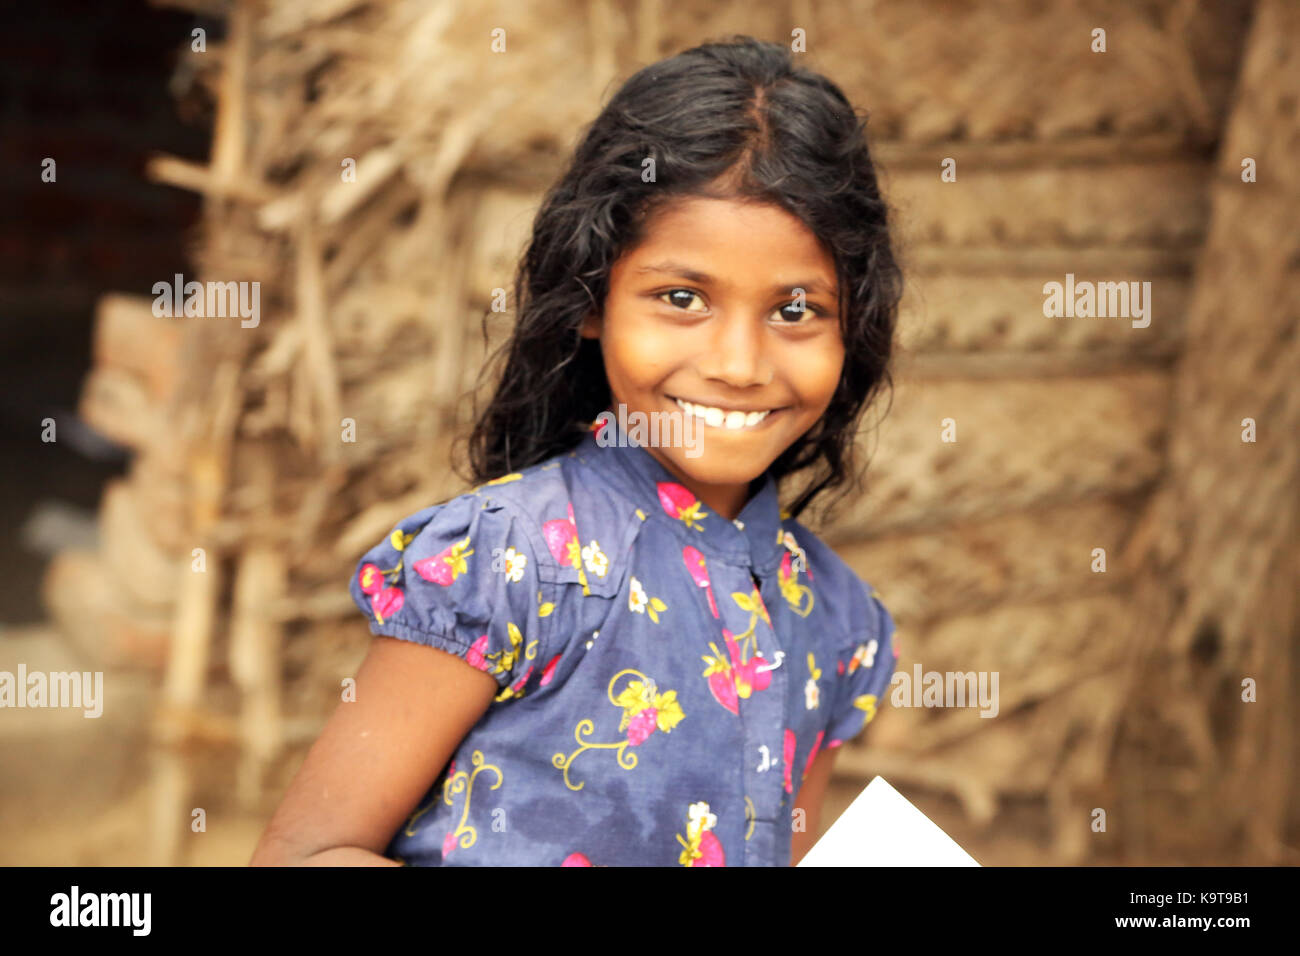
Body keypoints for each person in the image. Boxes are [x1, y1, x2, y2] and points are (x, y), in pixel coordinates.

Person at [251, 34, 903, 867]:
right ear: (591, 297)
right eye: (681, 298)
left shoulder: (838, 620)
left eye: (796, 310)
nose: (740, 365)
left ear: (856, 326)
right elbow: (308, 854)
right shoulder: (510, 560)